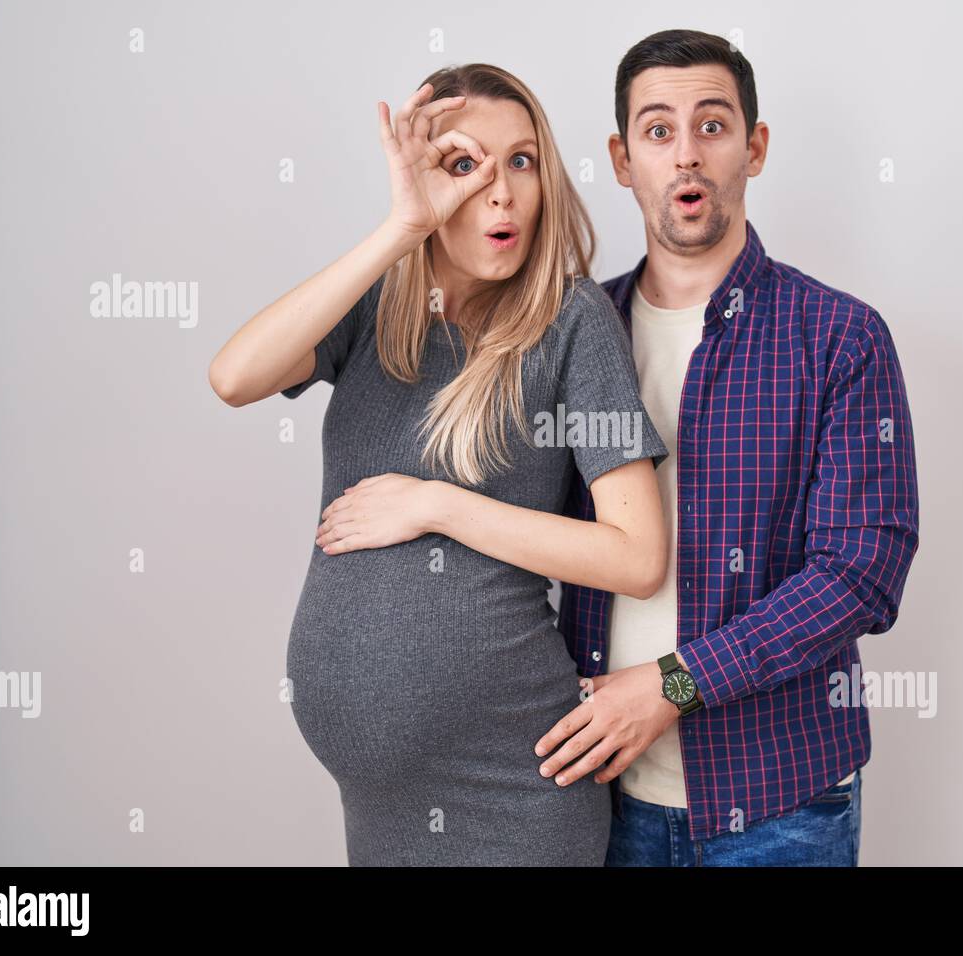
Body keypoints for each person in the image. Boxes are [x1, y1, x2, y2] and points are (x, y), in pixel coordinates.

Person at [207, 64, 669, 866]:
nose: (501, 193)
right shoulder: (377, 308)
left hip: (512, 783)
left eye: (522, 162)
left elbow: (635, 555)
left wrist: (438, 505)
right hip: (383, 802)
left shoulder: (571, 323)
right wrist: (401, 229)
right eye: (465, 166)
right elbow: (234, 377)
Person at [542, 29, 921, 866]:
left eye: (712, 126)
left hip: (784, 801)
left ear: (754, 148)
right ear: (620, 156)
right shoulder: (573, 337)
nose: (686, 155)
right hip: (593, 798)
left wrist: (675, 684)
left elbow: (863, 571)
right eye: (657, 130)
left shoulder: (840, 336)